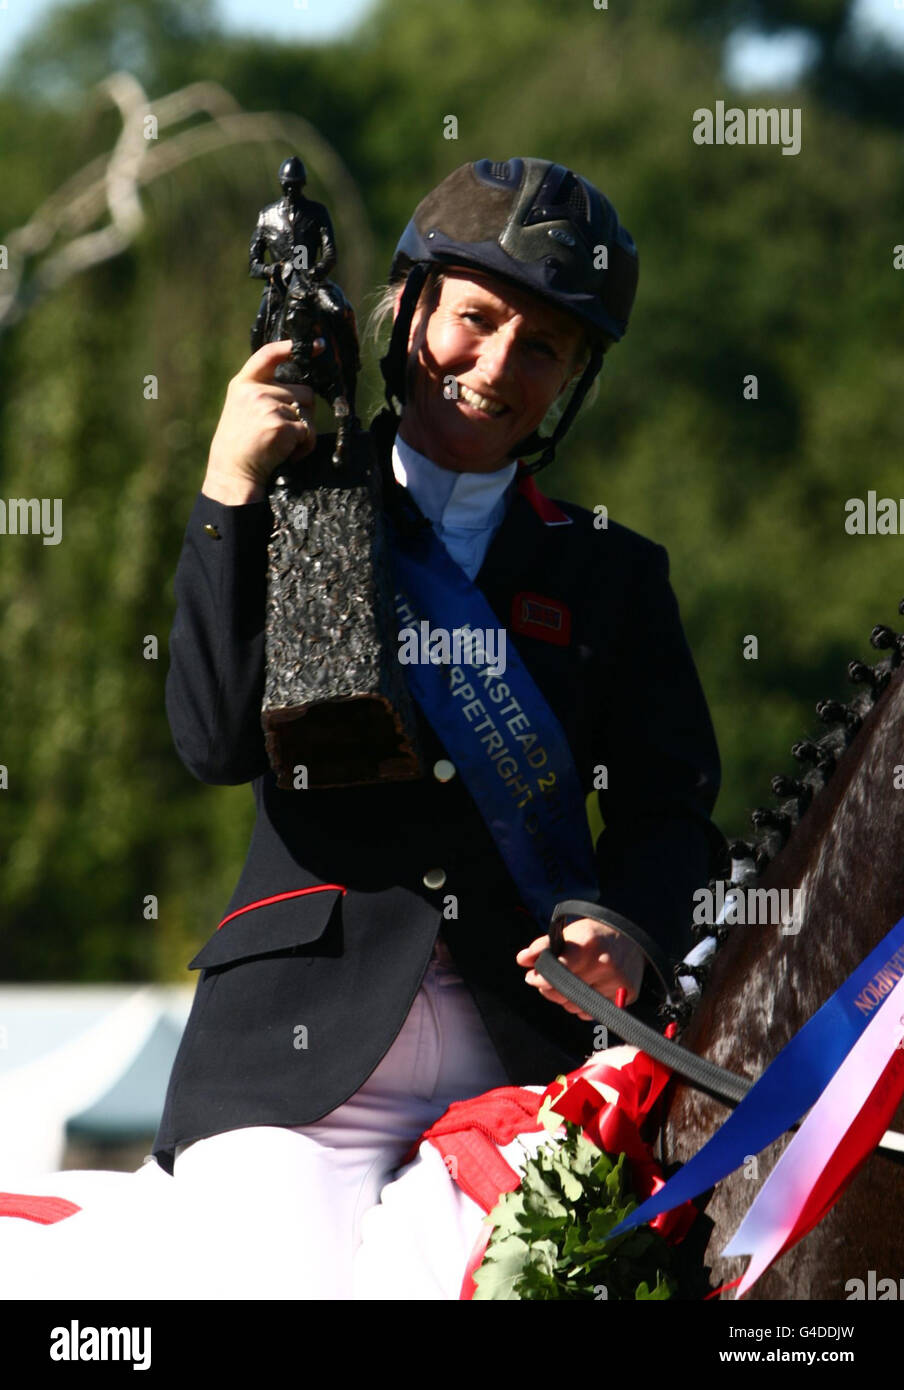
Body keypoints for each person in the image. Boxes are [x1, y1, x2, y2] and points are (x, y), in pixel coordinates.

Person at [0, 157, 725, 1301]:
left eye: (542, 347)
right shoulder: (302, 506)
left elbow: (668, 806)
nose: (495, 369)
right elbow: (211, 738)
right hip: (295, 1059)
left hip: (519, 1064)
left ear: (576, 376)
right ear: (410, 307)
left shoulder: (614, 574)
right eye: (476, 319)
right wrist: (230, 488)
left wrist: (626, 929)